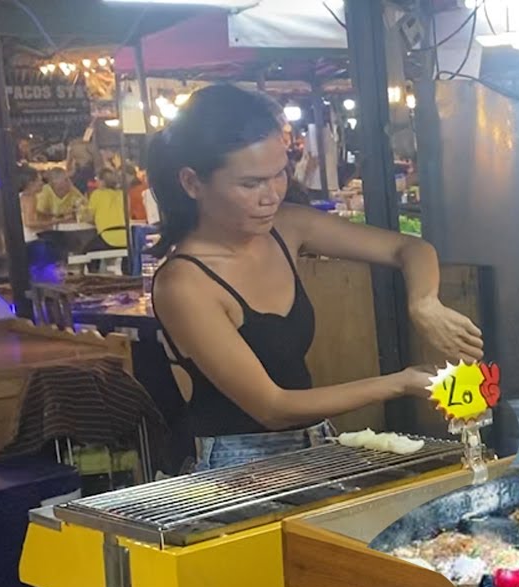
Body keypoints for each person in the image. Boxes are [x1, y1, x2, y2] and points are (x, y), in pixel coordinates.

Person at [148, 84, 483, 471]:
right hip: (235, 464)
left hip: (313, 445)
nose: (271, 195)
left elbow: (409, 249)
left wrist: (424, 303)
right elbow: (272, 407)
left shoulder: (288, 226)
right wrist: (402, 383)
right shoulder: (184, 285)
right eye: (250, 183)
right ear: (192, 184)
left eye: (279, 175)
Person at [85, 168, 129, 249]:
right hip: (125, 237)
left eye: (97, 179)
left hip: (107, 236)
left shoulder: (96, 194)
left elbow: (89, 218)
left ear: (102, 181)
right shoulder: (123, 194)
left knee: (85, 250)